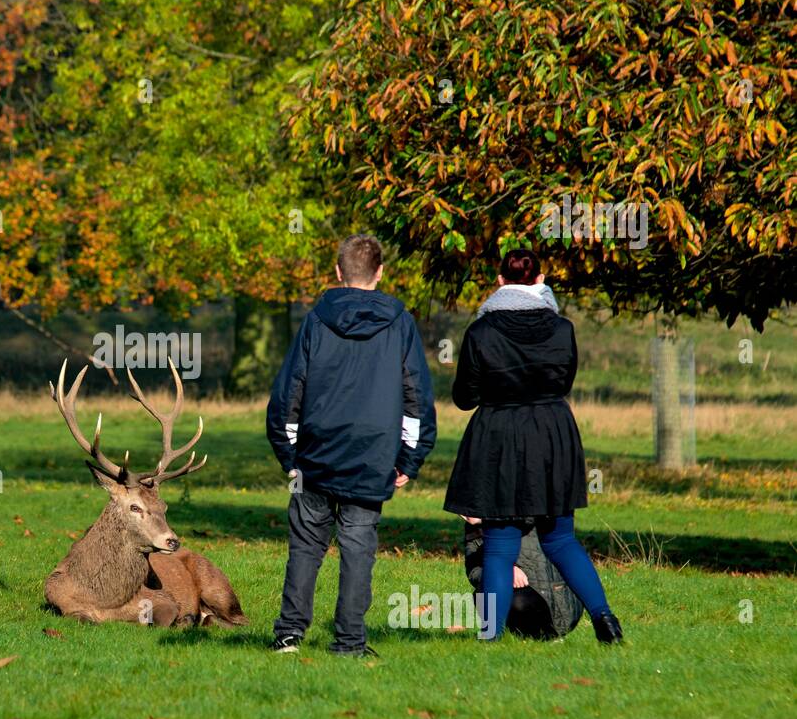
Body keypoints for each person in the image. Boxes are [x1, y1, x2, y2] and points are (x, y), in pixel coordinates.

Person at [266, 233, 436, 657]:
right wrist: (409, 460)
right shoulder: (400, 323)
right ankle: (349, 642)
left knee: (306, 545)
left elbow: (289, 394)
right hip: (373, 455)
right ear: (380, 272)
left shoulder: (316, 320)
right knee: (358, 549)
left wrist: (289, 455)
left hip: (317, 452)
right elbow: (416, 396)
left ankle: (290, 634)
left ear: (339, 272)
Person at [444, 248, 623, 643]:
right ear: (540, 280)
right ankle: (605, 620)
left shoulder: (481, 332)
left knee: (499, 546)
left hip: (499, 438)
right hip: (552, 435)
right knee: (560, 539)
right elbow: (564, 383)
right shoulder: (563, 329)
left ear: (499, 281)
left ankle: (490, 635)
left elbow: (464, 397)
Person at [463, 521, 581, 640]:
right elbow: (474, 572)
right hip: (517, 587)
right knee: (482, 592)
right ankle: (500, 636)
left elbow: (537, 562)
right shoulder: (474, 530)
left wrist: (505, 569)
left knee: (517, 601)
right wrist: (502, 572)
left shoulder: (518, 514)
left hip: (550, 591)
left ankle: (548, 635)